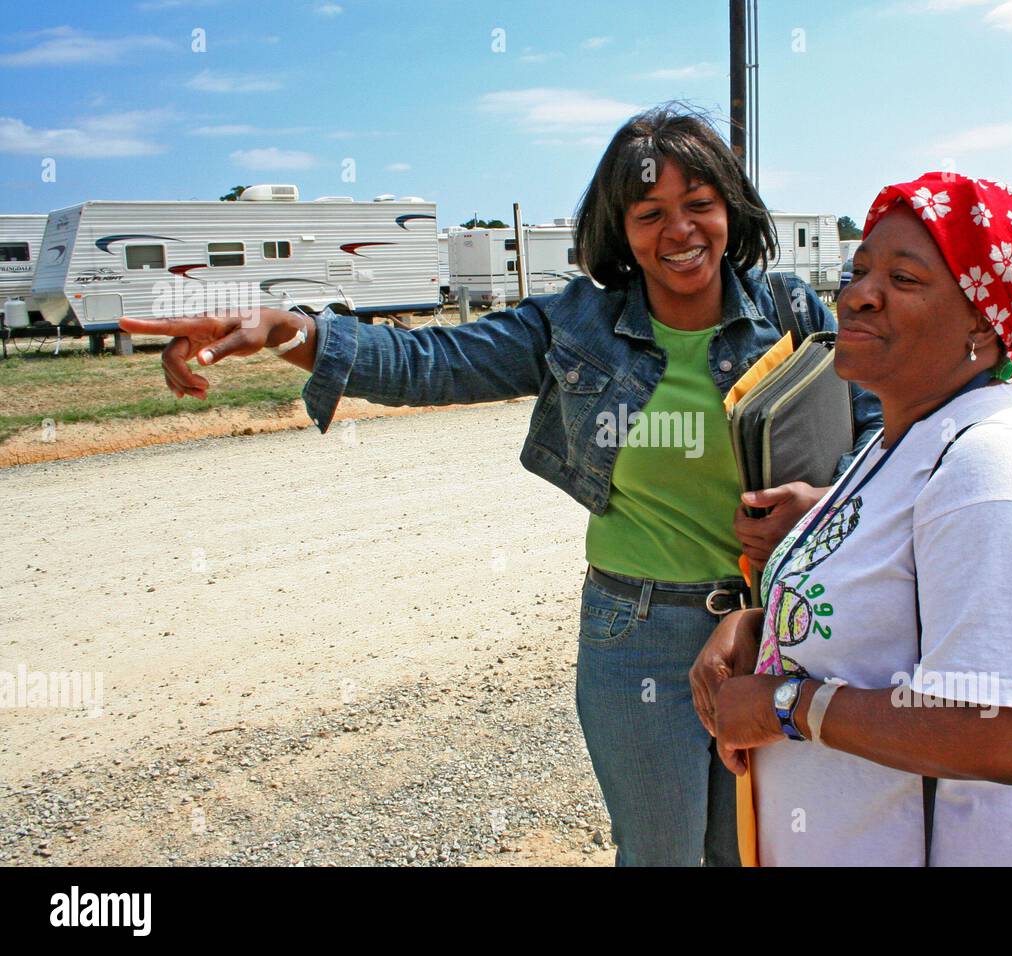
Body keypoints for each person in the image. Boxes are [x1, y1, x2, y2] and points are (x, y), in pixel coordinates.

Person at [119, 105, 882, 867]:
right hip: (635, 634)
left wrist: (823, 508)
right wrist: (289, 328)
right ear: (619, 229)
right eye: (650, 213)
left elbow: (880, 436)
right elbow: (431, 362)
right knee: (662, 855)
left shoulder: (789, 312)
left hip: (769, 627)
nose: (679, 231)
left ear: (730, 209)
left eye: (699, 206)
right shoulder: (572, 327)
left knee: (756, 849)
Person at [691, 171, 1012, 866]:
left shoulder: (993, 476)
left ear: (982, 320)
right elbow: (885, 610)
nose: (856, 294)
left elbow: (997, 730)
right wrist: (753, 627)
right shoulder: (901, 444)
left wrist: (784, 705)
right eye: (858, 269)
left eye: (905, 278)